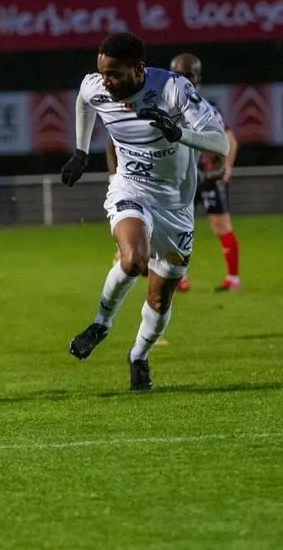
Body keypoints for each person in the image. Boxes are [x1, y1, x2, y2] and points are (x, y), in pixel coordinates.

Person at [60, 32, 229, 390]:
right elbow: (83, 100)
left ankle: (139, 355)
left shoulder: (173, 89)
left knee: (159, 295)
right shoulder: (97, 86)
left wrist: (178, 132)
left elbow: (220, 143)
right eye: (102, 73)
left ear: (138, 69)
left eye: (115, 74)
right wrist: (80, 151)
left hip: (176, 205)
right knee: (134, 258)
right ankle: (100, 324)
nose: (106, 81)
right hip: (130, 188)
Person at [170, 53, 240, 293]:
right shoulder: (164, 106)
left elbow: (229, 140)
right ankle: (180, 277)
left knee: (221, 226)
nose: (184, 80)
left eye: (188, 75)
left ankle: (233, 278)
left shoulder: (207, 108)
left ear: (198, 78)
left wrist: (226, 168)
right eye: (178, 75)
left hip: (207, 177)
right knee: (176, 228)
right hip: (179, 178)